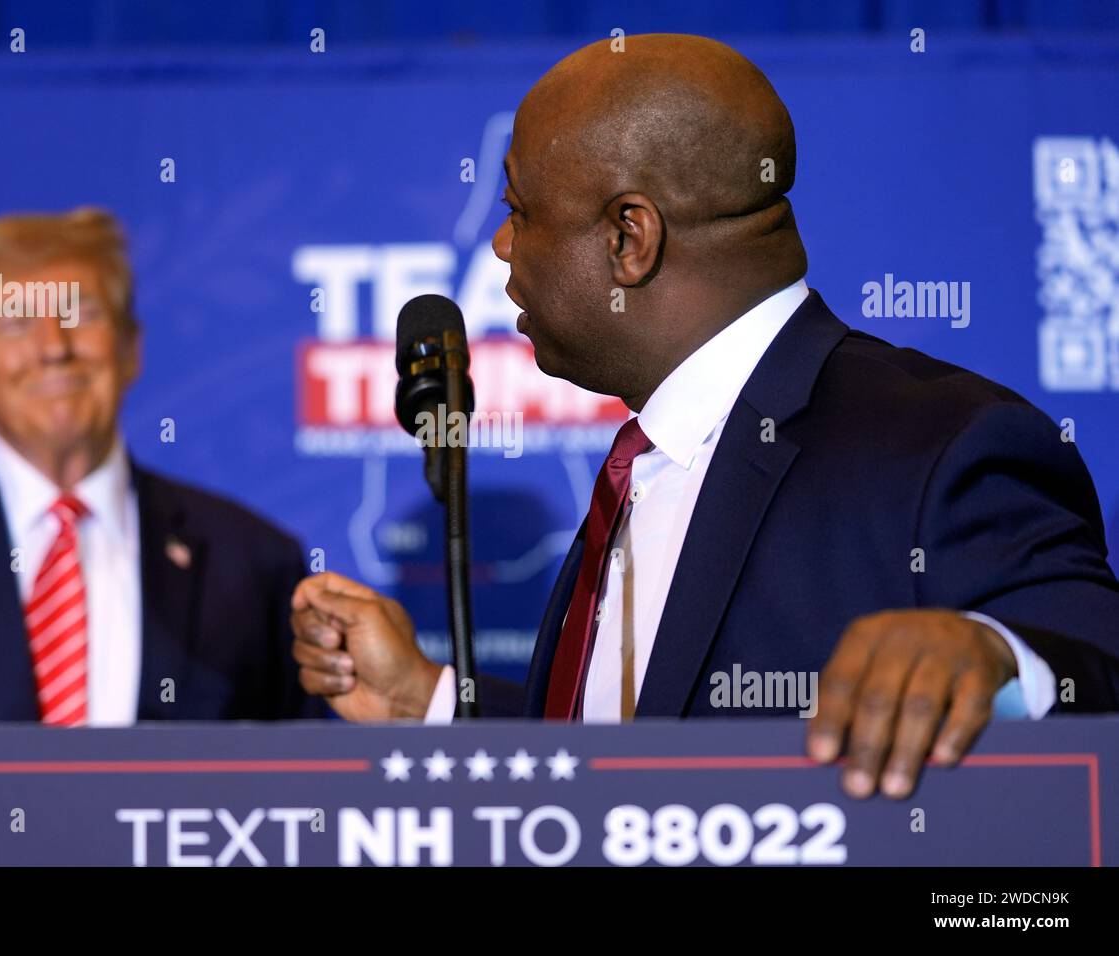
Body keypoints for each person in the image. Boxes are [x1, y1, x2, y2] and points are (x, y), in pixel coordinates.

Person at [291, 33, 1119, 799]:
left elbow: (1096, 675)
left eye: (520, 210)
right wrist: (428, 701)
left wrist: (994, 655)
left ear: (630, 239)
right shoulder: (645, 461)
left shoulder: (944, 444)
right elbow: (646, 771)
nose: (503, 246)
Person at [0, 208, 317, 725]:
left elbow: (295, 786)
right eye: (16, 322)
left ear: (130, 348)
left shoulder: (253, 562)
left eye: (80, 313)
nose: (54, 347)